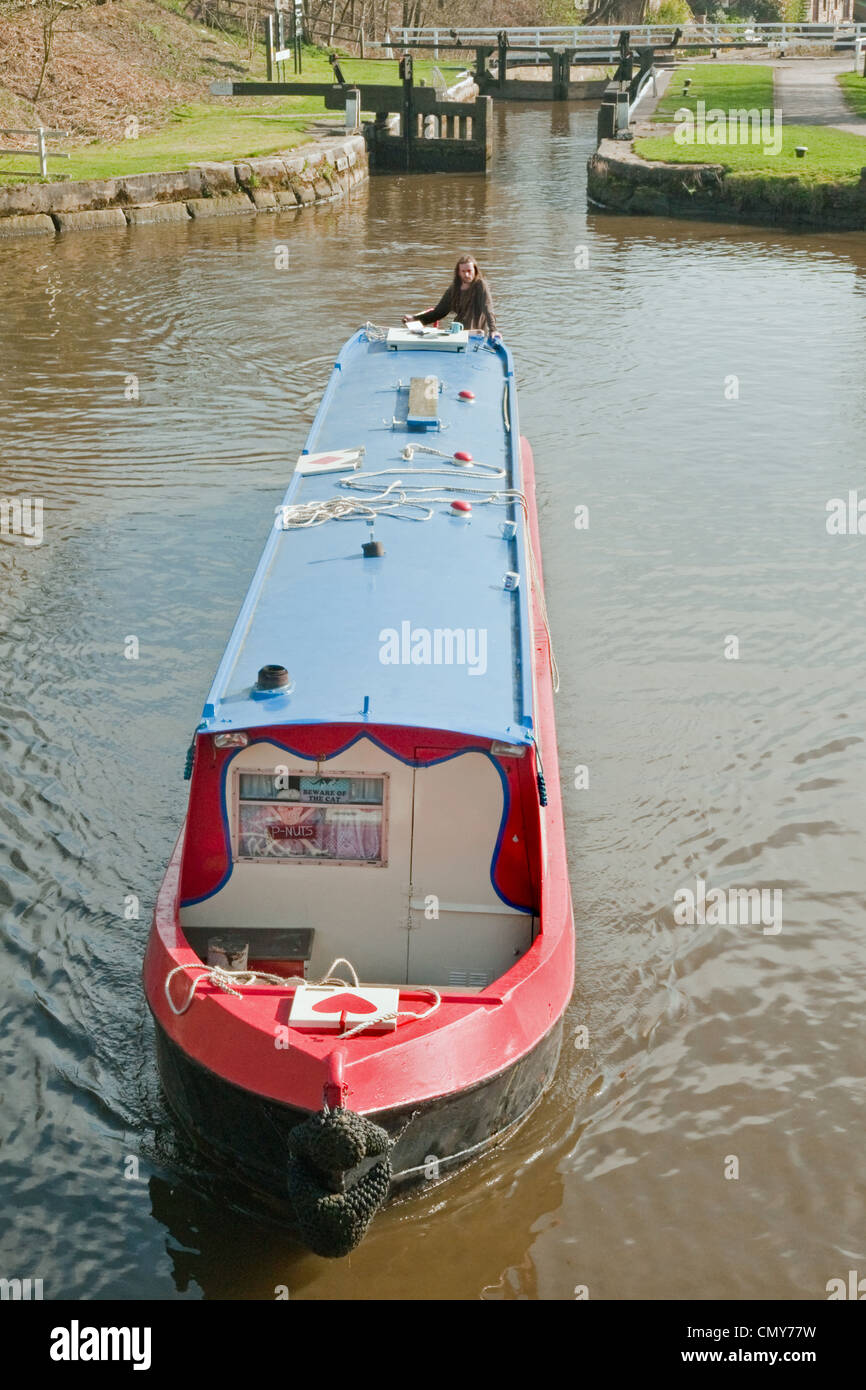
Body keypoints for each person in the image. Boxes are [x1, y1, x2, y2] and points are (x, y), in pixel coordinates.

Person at [403, 256, 500, 338]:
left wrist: (493, 329)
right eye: (463, 271)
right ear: (458, 272)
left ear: (475, 271)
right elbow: (438, 313)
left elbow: (488, 308)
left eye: (469, 271)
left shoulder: (481, 285)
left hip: (476, 334)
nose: (466, 274)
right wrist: (415, 318)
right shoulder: (453, 289)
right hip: (456, 333)